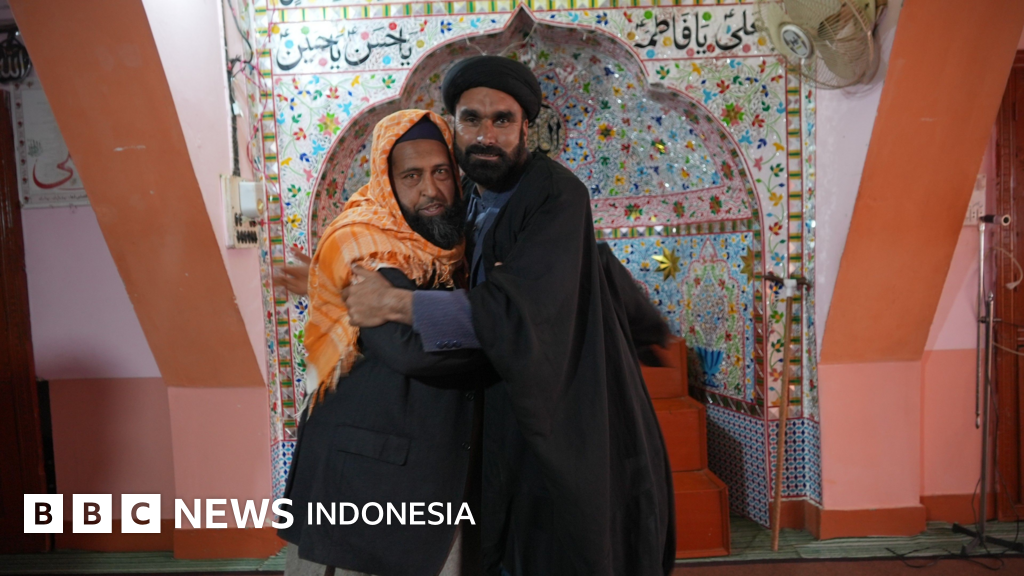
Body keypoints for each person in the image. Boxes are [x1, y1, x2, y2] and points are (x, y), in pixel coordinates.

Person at [343, 56, 676, 576]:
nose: (486, 135)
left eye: (502, 120)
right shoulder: (469, 197)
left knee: (561, 547)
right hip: (502, 417)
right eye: (471, 119)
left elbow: (520, 313)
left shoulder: (556, 194)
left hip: (563, 417)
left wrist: (395, 304)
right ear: (453, 125)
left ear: (526, 127)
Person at [279, 110, 492, 576]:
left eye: (441, 172)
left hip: (410, 476)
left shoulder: (446, 247)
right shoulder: (364, 243)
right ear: (387, 182)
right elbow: (410, 350)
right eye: (412, 176)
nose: (430, 190)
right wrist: (511, 340)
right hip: (360, 479)